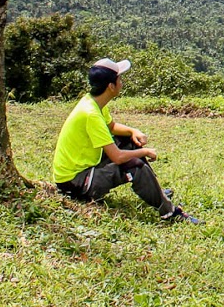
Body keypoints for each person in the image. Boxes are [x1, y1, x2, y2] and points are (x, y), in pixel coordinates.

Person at [52, 57, 201, 223]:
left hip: (81, 170)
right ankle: (170, 213)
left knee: (129, 143)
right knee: (134, 165)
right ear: (111, 86)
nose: (122, 83)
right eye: (119, 79)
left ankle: (155, 191)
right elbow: (117, 157)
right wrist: (145, 151)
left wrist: (132, 131)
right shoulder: (91, 114)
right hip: (75, 183)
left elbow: (111, 126)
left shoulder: (93, 102)